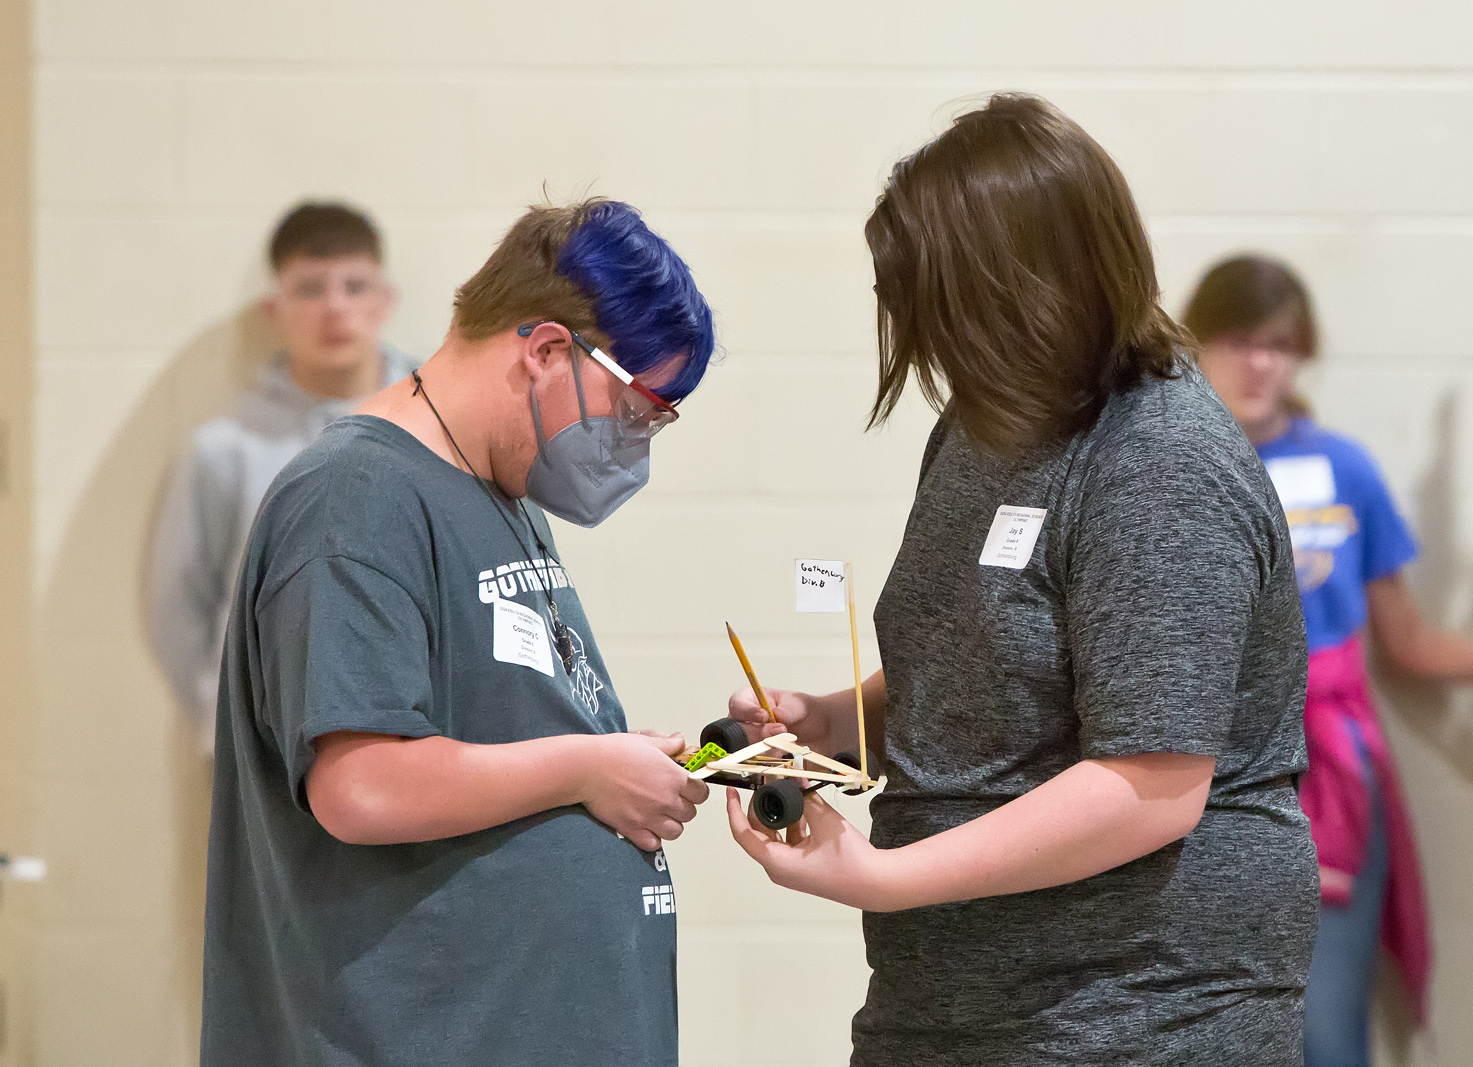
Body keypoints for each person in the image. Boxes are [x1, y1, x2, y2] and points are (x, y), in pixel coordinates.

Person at [721, 94, 1319, 1065]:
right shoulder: (985, 425)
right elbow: (995, 662)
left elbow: (1150, 781)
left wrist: (880, 875)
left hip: (1136, 1016)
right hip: (953, 1006)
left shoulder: (1158, 459)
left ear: (1021, 293)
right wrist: (833, 722)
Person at [201, 199, 716, 1066]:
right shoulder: (354, 498)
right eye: (633, 411)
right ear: (546, 351)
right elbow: (361, 784)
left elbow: (503, 734)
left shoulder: (496, 488)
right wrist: (586, 767)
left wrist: (618, 758)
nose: (630, 443)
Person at [1182, 253, 1473, 1067]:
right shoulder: (1168, 466)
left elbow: (1405, 638)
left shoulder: (1346, 469)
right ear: (1198, 342)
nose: (1262, 363)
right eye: (1240, 340)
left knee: (1326, 1026)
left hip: (1328, 777)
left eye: (1281, 344)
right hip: (1202, 777)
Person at [147, 201, 414, 754]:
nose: (335, 308)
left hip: (420, 741)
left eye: (355, 286)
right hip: (268, 752)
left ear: (385, 301)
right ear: (275, 309)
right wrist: (233, 726)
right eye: (311, 289)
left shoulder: (441, 427)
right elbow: (175, 604)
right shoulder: (223, 450)